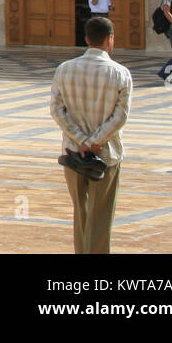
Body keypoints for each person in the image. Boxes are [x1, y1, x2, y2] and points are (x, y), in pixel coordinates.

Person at [49, 15, 132, 254]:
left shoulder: (65, 69)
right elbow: (120, 117)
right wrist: (95, 141)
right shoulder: (121, 73)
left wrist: (81, 140)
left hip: (74, 152)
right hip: (106, 153)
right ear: (110, 39)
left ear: (86, 39)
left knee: (81, 212)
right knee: (101, 215)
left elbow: (57, 110)